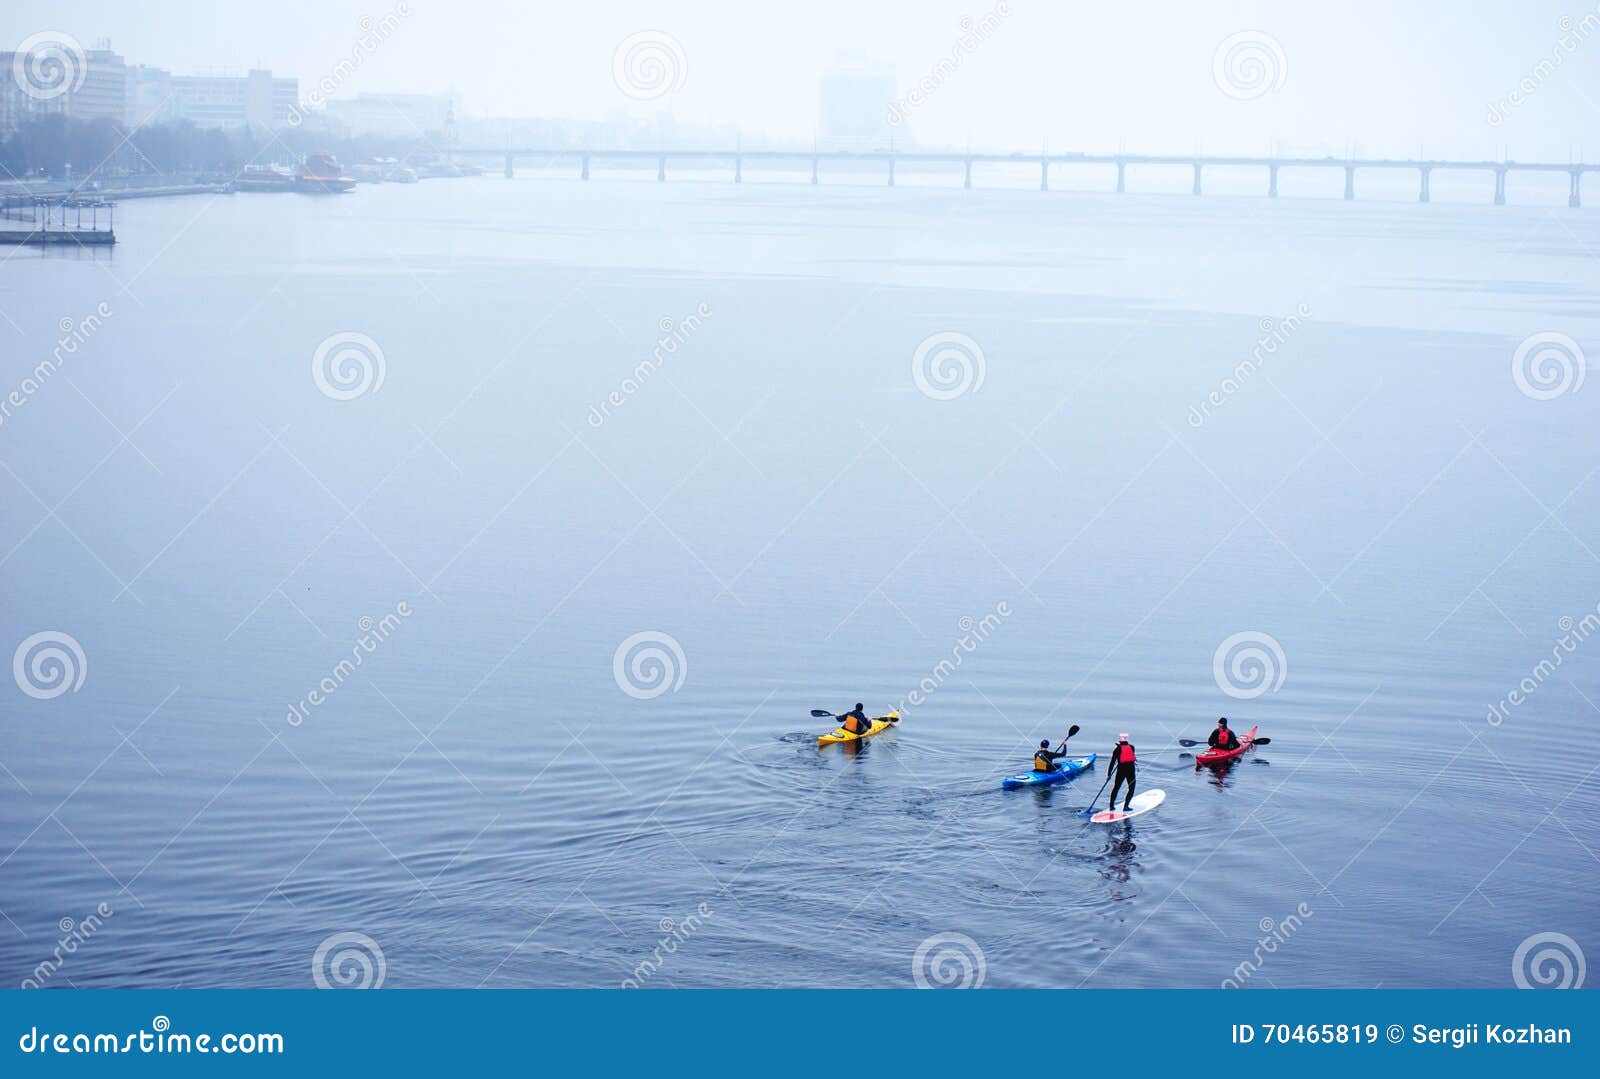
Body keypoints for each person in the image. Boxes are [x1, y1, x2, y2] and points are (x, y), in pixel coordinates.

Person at [1107, 733, 1136, 812]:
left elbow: (1112, 762)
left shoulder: (1117, 749)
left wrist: (1109, 774)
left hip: (1121, 770)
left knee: (1116, 788)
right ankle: (1126, 807)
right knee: (1131, 789)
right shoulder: (1132, 747)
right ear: (1127, 739)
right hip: (1131, 770)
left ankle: (1111, 806)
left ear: (1119, 740)